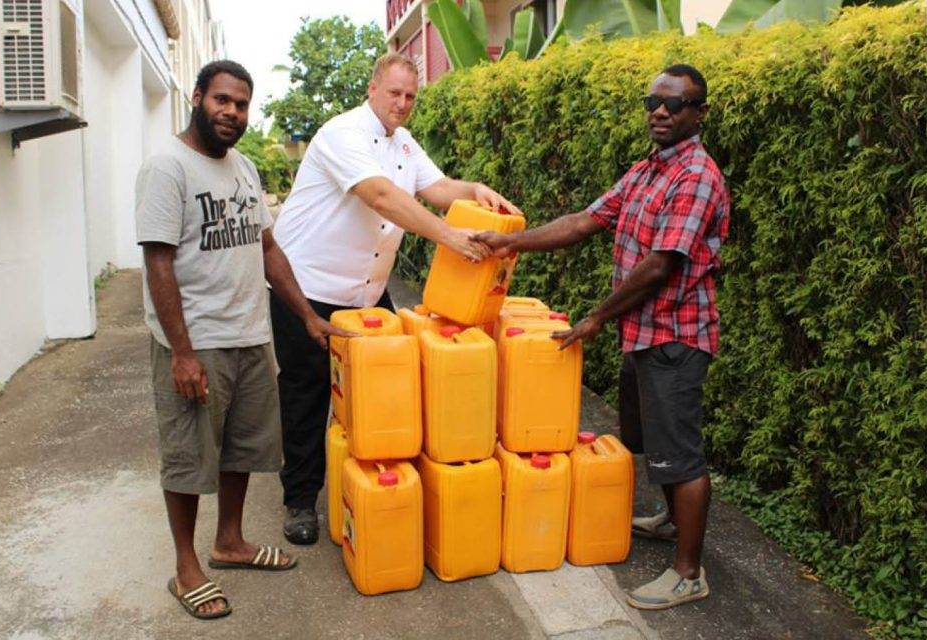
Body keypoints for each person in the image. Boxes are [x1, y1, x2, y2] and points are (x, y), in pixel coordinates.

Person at [476, 64, 729, 610]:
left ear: (698, 113)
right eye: (653, 101)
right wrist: (509, 243)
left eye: (676, 104)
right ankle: (668, 520)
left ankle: (689, 572)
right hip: (643, 334)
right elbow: (584, 222)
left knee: (680, 455)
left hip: (675, 338)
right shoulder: (648, 171)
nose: (660, 111)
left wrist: (595, 318)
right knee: (654, 443)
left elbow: (660, 266)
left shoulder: (696, 177)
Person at [272, 52, 519, 545]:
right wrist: (449, 237)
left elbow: (438, 187)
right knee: (308, 394)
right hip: (309, 287)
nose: (402, 104)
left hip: (367, 293)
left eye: (410, 96)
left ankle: (372, 484)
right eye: (394, 93)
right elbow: (382, 197)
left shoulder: (403, 143)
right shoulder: (342, 134)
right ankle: (301, 500)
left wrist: (476, 190)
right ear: (372, 89)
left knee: (384, 391)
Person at [136, 60, 347, 619]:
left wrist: (305, 316)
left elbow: (268, 250)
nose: (232, 113)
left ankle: (230, 541)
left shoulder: (245, 168)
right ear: (199, 96)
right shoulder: (168, 167)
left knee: (243, 449)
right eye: (222, 100)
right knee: (187, 457)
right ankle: (186, 568)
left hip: (251, 335)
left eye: (242, 105)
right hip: (196, 339)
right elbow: (158, 261)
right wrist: (181, 352)